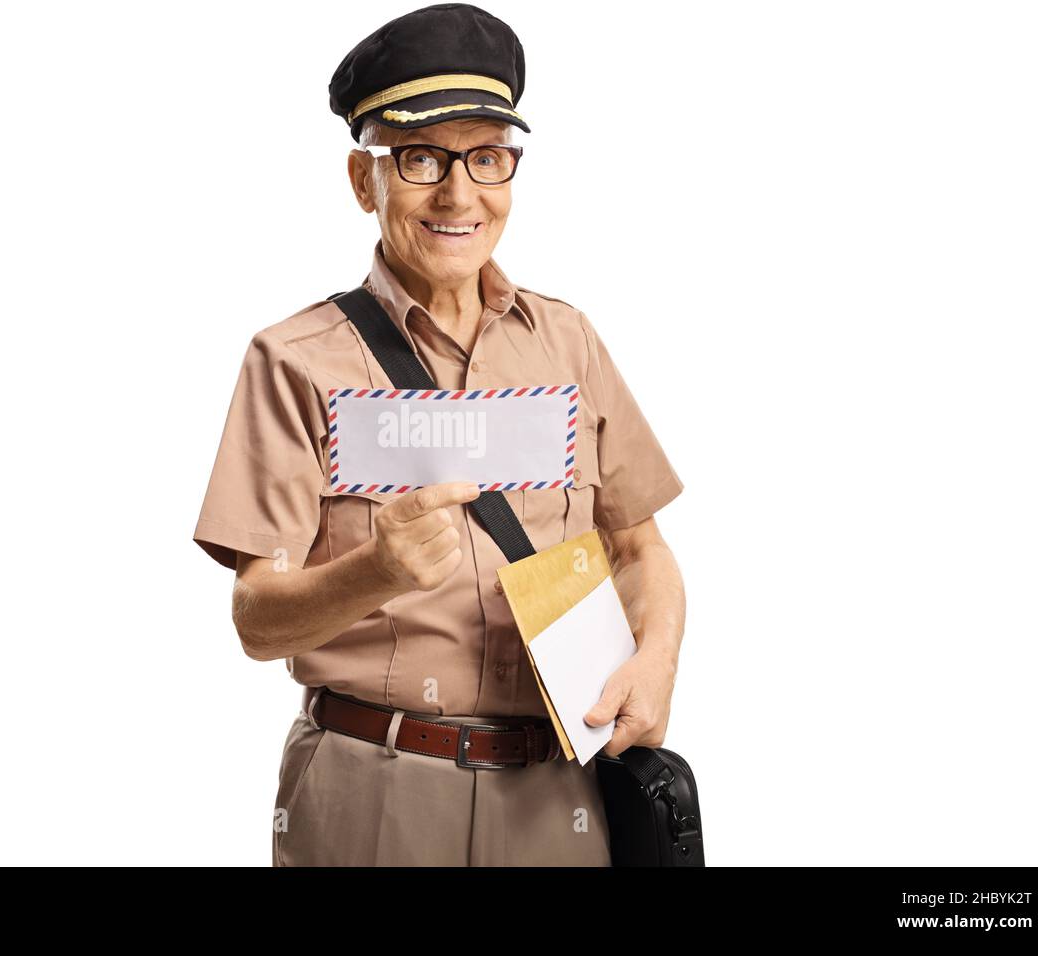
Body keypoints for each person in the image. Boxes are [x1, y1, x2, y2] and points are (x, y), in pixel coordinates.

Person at [192, 3, 686, 866]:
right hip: (374, 790)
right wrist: (376, 570)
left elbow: (640, 548)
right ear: (363, 179)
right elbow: (256, 621)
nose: (460, 195)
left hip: (556, 795)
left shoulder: (568, 342)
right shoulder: (294, 362)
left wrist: (657, 658)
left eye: (488, 158)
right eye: (421, 158)